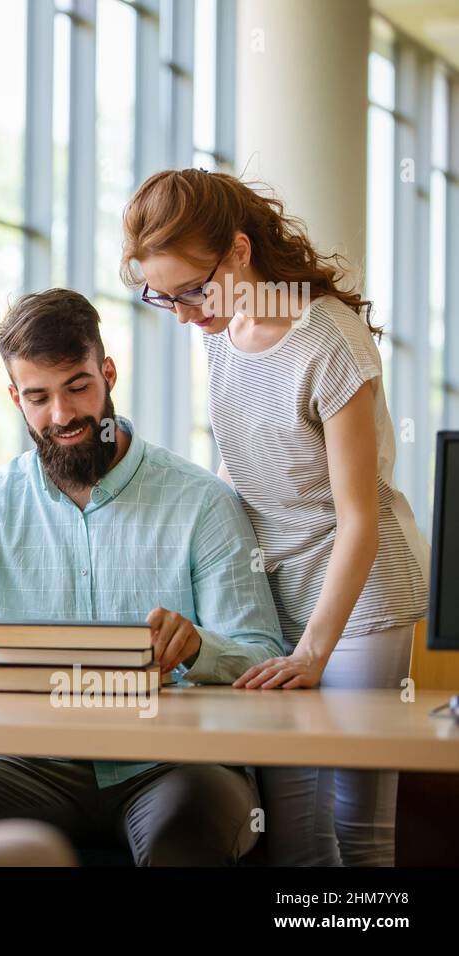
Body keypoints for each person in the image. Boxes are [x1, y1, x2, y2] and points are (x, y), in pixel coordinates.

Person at [0, 288, 284, 866]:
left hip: (174, 763)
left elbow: (263, 655)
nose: (61, 415)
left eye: (78, 387)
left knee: (182, 843)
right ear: (15, 398)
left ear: (106, 373)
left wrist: (198, 647)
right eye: (38, 397)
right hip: (38, 763)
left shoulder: (201, 502)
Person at [121, 168, 429, 866]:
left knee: (355, 820)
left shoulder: (331, 339)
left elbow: (359, 518)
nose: (184, 313)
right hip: (272, 588)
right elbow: (247, 466)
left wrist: (315, 651)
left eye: (192, 290)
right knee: (288, 825)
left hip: (357, 598)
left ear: (237, 251)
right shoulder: (219, 329)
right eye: (161, 297)